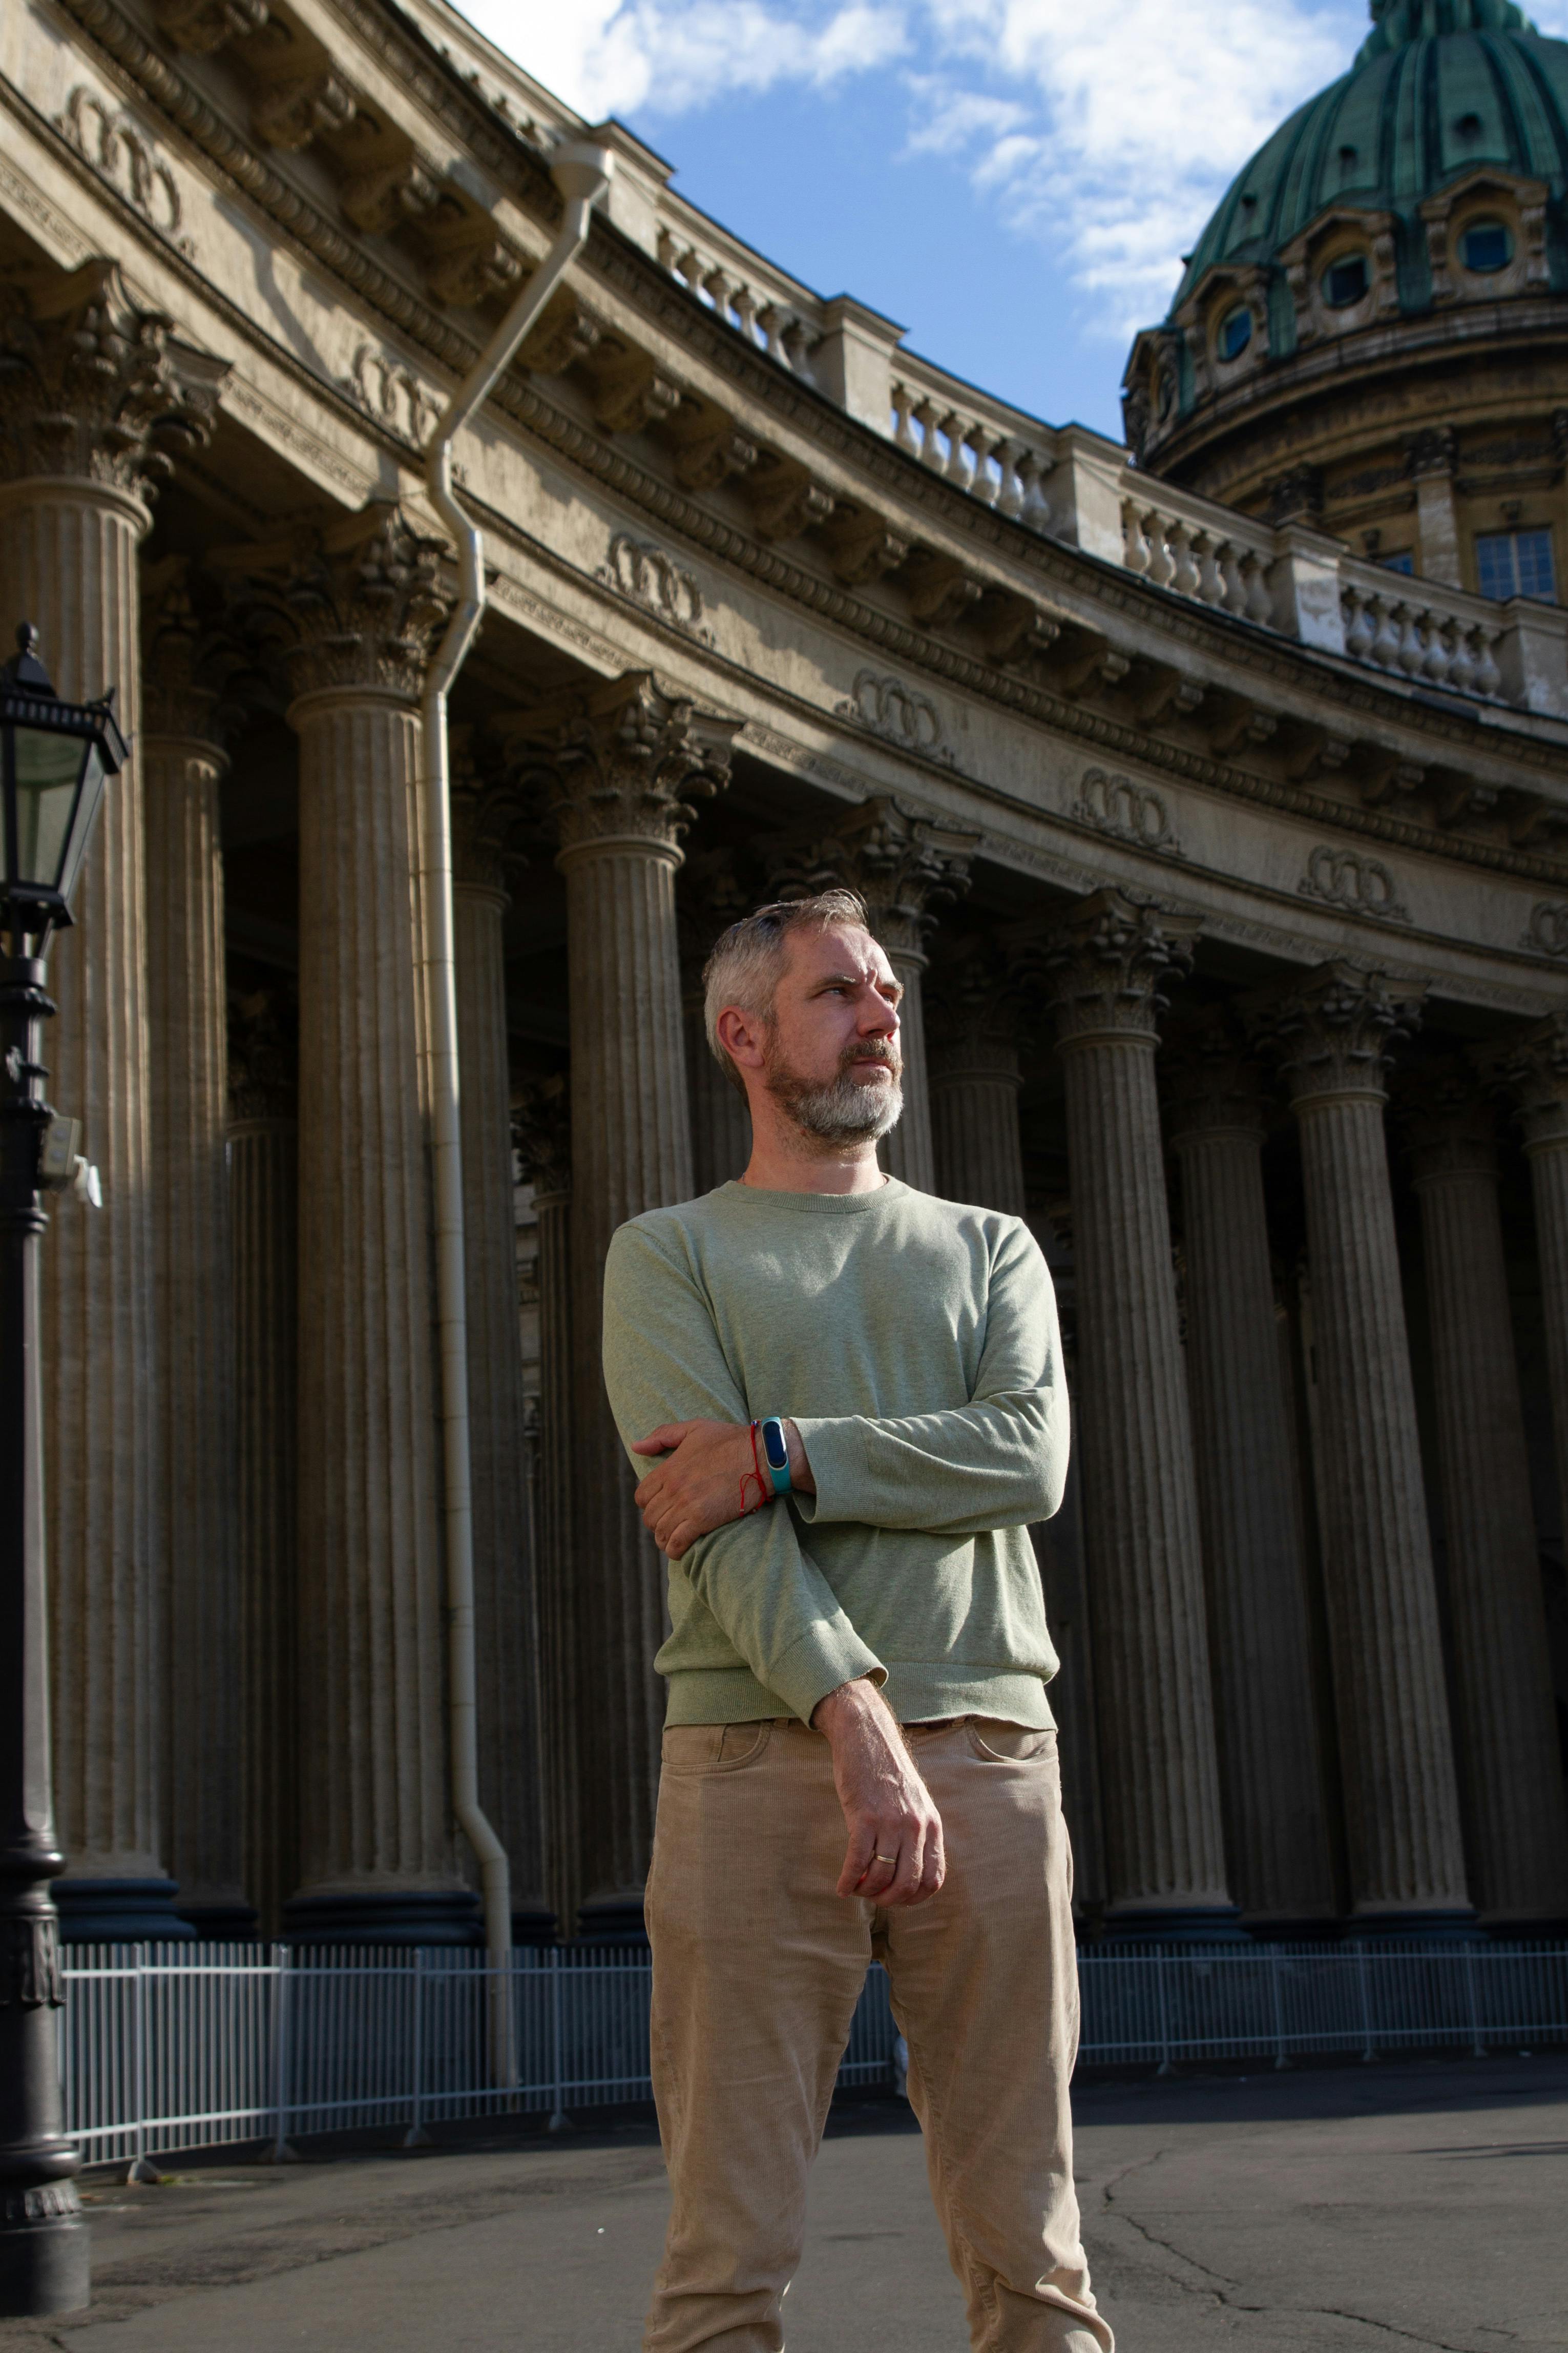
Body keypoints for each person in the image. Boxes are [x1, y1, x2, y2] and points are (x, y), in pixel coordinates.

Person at [600, 887, 1113, 2353]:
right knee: (725, 2266)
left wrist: (786, 1450)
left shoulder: (990, 1248)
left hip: (997, 1757)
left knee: (1036, 2255)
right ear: (745, 1036)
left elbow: (1030, 1456)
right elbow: (706, 1537)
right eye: (840, 993)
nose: (884, 1014)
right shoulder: (669, 1254)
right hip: (754, 1768)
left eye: (886, 992)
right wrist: (855, 1712)